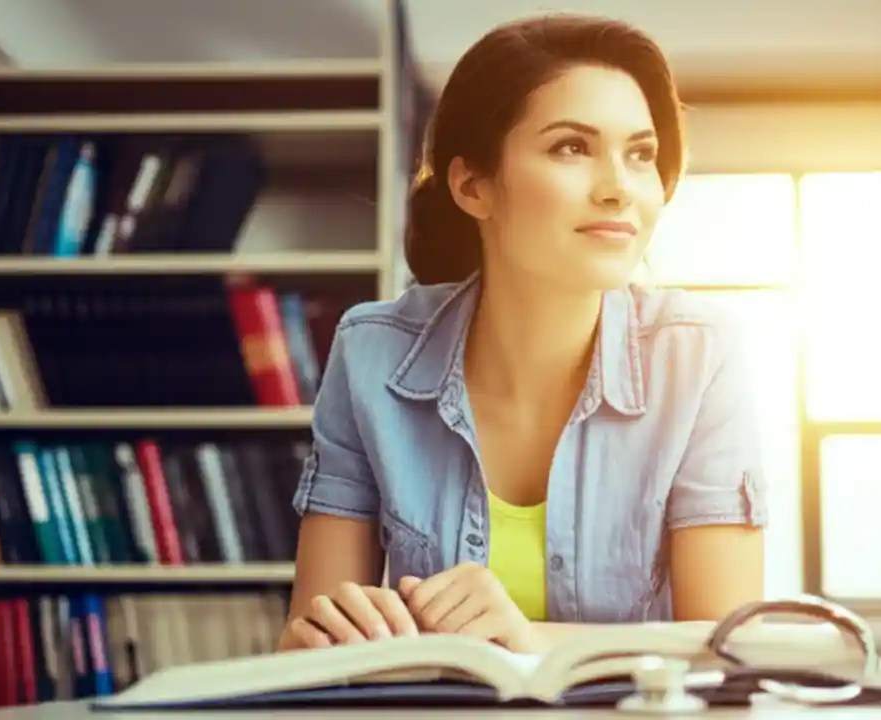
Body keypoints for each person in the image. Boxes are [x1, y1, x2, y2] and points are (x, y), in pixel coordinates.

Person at [277, 12, 768, 655]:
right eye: (572, 147)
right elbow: (309, 641)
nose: (621, 189)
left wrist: (525, 637)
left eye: (641, 154)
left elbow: (730, 648)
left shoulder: (698, 356)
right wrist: (324, 638)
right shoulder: (371, 353)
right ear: (472, 185)